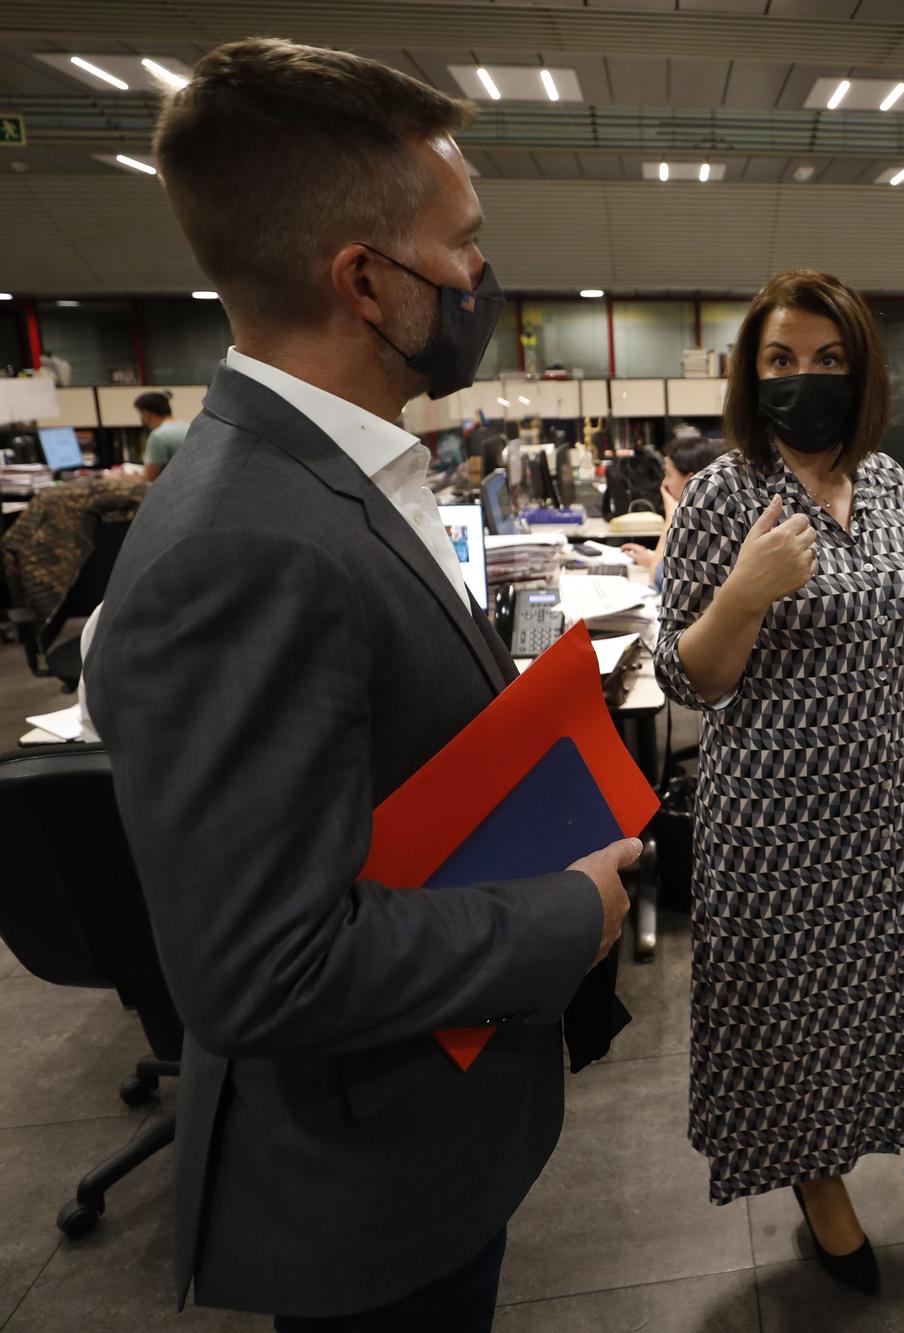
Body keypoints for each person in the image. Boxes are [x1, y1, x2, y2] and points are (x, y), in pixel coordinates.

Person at [82, 39, 638, 1331]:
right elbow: (268, 970)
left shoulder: (310, 475)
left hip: (422, 1126)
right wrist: (570, 913)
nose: (482, 276)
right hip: (369, 1194)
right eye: (464, 246)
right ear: (366, 281)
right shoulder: (240, 542)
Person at [655, 268, 904, 1297]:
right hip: (775, 812)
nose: (803, 379)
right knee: (798, 1008)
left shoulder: (879, 481)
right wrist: (740, 594)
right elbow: (681, 674)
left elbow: (900, 642)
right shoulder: (722, 496)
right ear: (750, 372)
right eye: (779, 360)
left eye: (827, 360)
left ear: (860, 370)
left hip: (891, 797)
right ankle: (820, 1181)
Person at [622, 429, 726, 590]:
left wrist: (671, 518)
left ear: (691, 480)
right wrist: (650, 560)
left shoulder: (701, 524)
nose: (664, 483)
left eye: (669, 474)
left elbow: (657, 582)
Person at [136, 389, 188, 480]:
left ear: (145, 413)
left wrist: (119, 476)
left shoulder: (158, 436)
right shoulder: (188, 426)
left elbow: (148, 477)